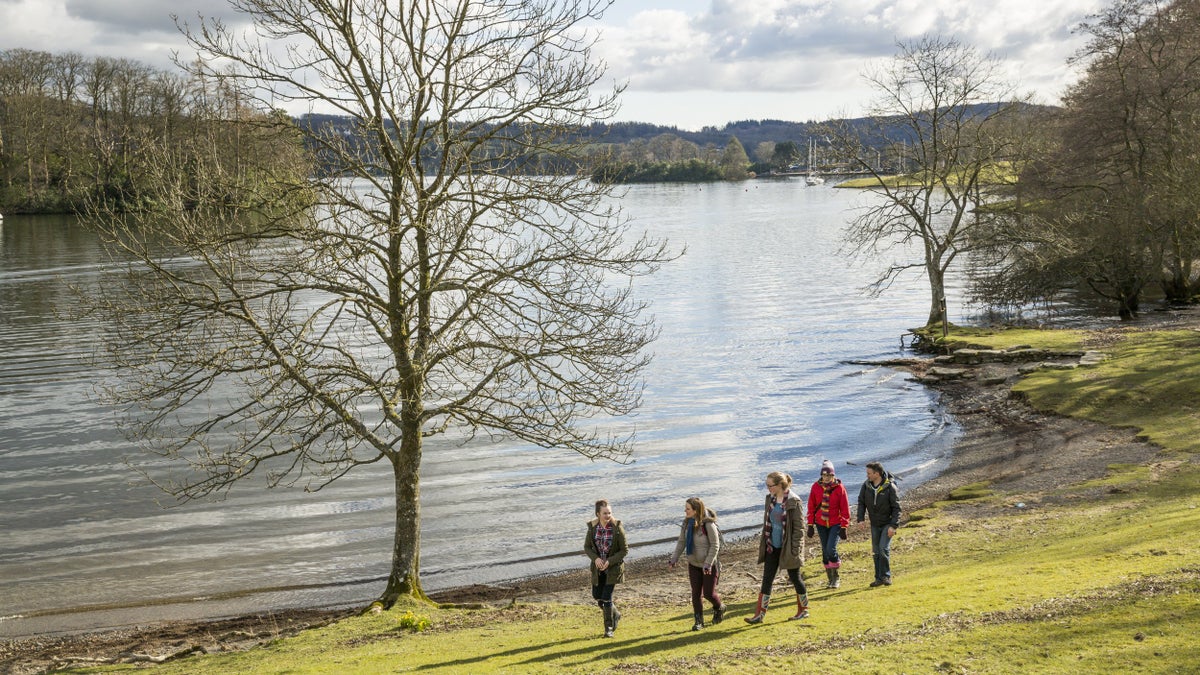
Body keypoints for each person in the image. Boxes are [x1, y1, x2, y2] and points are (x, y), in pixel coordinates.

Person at [745, 471, 809, 624]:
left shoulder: (794, 501)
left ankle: (804, 610)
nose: (768, 488)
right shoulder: (770, 499)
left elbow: (799, 529)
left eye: (770, 485)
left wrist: (795, 550)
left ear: (780, 485)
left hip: (788, 548)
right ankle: (759, 615)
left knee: (795, 578)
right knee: (767, 580)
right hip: (772, 546)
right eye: (766, 485)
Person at [668, 497, 726, 631]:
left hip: (709, 565)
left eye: (688, 509)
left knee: (708, 594)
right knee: (695, 594)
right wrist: (674, 559)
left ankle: (719, 607)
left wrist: (708, 563)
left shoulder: (708, 524)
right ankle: (699, 621)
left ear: (695, 510)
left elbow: (715, 545)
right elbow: (681, 542)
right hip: (693, 564)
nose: (685, 511)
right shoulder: (686, 523)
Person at [584, 499, 628, 637]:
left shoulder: (617, 528)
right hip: (598, 569)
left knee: (606, 597)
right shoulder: (592, 528)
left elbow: (624, 550)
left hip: (613, 569)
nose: (608, 515)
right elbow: (587, 547)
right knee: (597, 596)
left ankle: (608, 629)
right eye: (605, 513)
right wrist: (595, 559)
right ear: (598, 514)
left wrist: (610, 561)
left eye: (609, 513)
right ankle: (615, 613)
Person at [807, 459, 851, 589]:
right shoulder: (815, 487)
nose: (826, 478)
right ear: (821, 475)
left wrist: (844, 526)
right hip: (821, 523)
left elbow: (845, 508)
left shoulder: (839, 488)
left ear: (833, 475)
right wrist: (810, 525)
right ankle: (830, 580)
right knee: (825, 551)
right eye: (824, 475)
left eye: (829, 475)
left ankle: (836, 577)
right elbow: (811, 506)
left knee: (831, 549)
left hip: (835, 523)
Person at [857, 461, 901, 587]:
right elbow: (861, 502)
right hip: (874, 524)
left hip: (888, 523)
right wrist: (860, 519)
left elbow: (897, 508)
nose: (867, 476)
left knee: (883, 548)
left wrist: (893, 526)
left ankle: (886, 576)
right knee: (876, 551)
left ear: (877, 473)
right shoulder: (866, 486)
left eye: (869, 473)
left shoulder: (890, 487)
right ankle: (878, 578)